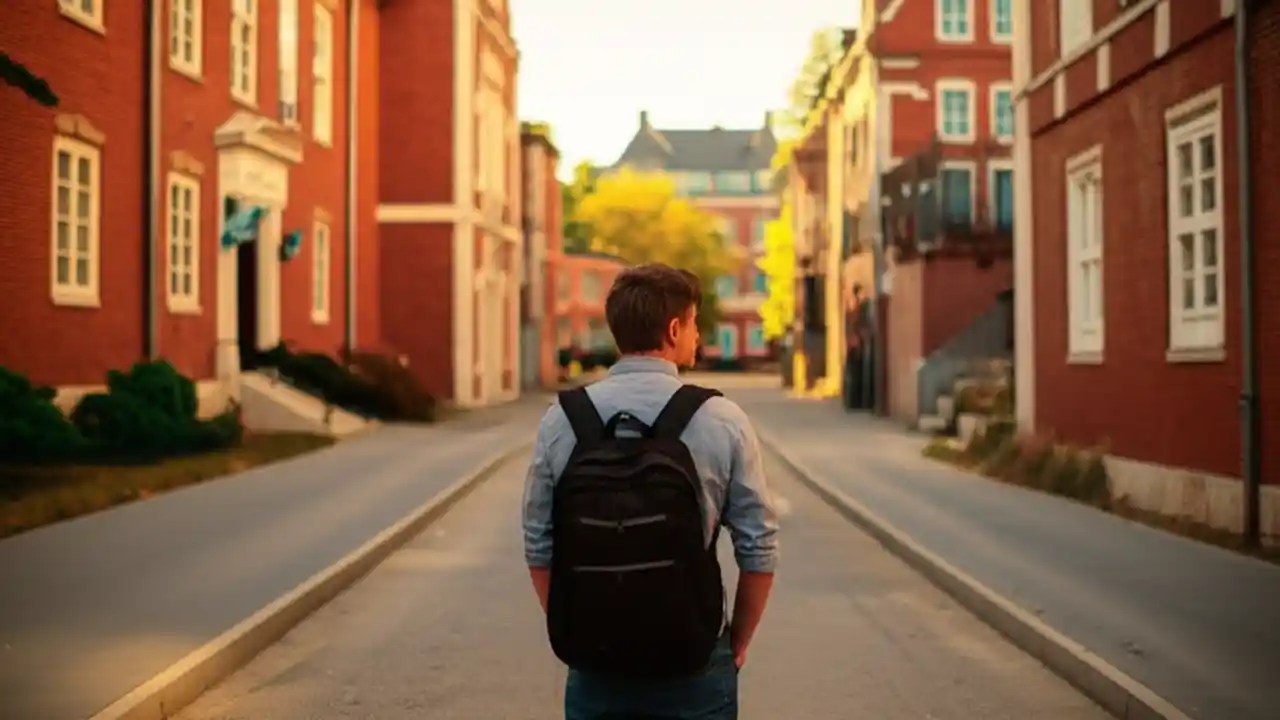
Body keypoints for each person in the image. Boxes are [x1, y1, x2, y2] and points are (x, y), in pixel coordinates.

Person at [523, 263, 779, 720]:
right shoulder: (721, 419)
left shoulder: (562, 420)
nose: (699, 336)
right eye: (696, 324)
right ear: (674, 328)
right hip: (693, 660)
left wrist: (580, 630)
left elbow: (539, 545)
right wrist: (733, 643)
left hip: (595, 661)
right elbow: (758, 548)